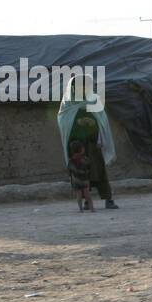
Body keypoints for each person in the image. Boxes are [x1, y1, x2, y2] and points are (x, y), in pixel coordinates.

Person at [57, 74, 118, 209]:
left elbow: (102, 122)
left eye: (85, 86)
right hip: (77, 149)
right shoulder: (68, 106)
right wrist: (78, 124)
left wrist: (92, 123)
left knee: (100, 171)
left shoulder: (94, 102)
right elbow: (64, 124)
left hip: (92, 145)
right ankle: (86, 201)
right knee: (81, 176)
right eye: (79, 86)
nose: (83, 89)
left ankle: (108, 198)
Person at [67, 139, 94, 211]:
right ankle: (92, 209)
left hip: (75, 180)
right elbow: (89, 166)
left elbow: (70, 170)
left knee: (78, 195)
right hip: (84, 179)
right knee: (87, 195)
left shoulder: (71, 160)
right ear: (81, 149)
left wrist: (71, 177)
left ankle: (81, 209)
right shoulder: (84, 159)